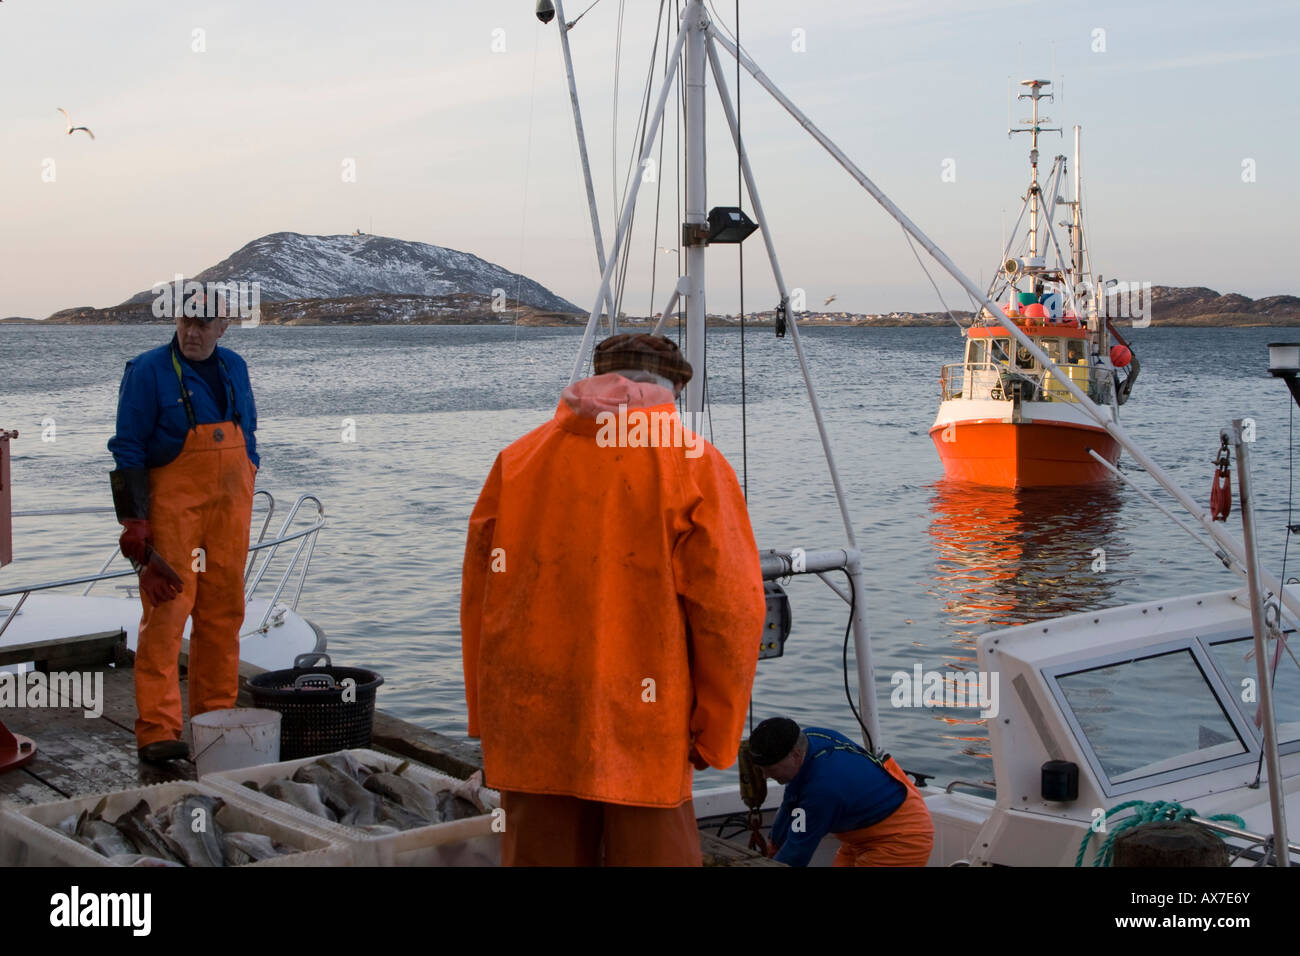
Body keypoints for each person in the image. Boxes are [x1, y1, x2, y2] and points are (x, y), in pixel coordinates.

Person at [460, 332, 766, 866]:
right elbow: (731, 612)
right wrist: (715, 734)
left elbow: (478, 599)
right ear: (672, 388)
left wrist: (486, 715)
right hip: (643, 728)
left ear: (597, 375)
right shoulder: (694, 464)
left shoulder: (517, 459)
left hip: (531, 718)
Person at [108, 284, 258, 764]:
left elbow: (249, 431)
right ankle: (157, 731)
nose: (192, 332)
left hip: (229, 509)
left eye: (203, 324)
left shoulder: (235, 367)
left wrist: (250, 465)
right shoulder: (147, 370)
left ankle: (215, 721)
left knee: (223, 614)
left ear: (223, 326)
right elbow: (127, 445)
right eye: (185, 322)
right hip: (173, 509)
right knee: (166, 617)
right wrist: (134, 521)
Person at [748, 717, 934, 867]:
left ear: (796, 756)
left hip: (901, 837)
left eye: (770, 769)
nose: (764, 776)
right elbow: (791, 801)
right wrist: (774, 842)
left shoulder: (822, 790)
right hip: (860, 835)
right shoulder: (809, 739)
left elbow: (797, 853)